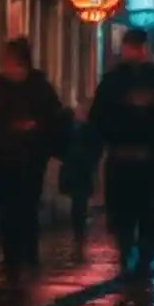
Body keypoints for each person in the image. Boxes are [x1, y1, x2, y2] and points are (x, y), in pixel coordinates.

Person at [89, 29, 154, 278]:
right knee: (139, 218)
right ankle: (136, 260)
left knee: (138, 217)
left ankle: (136, 260)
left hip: (140, 163)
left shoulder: (115, 83)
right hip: (141, 163)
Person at [0, 38, 65, 278]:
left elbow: (54, 120)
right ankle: (11, 255)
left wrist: (36, 129)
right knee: (5, 207)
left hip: (29, 158)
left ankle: (27, 254)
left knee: (26, 206)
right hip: (2, 158)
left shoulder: (39, 89)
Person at [59, 102, 101, 262]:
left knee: (79, 202)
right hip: (77, 168)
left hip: (80, 169)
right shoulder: (73, 128)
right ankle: (79, 232)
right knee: (78, 202)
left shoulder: (85, 130)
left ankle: (79, 232)